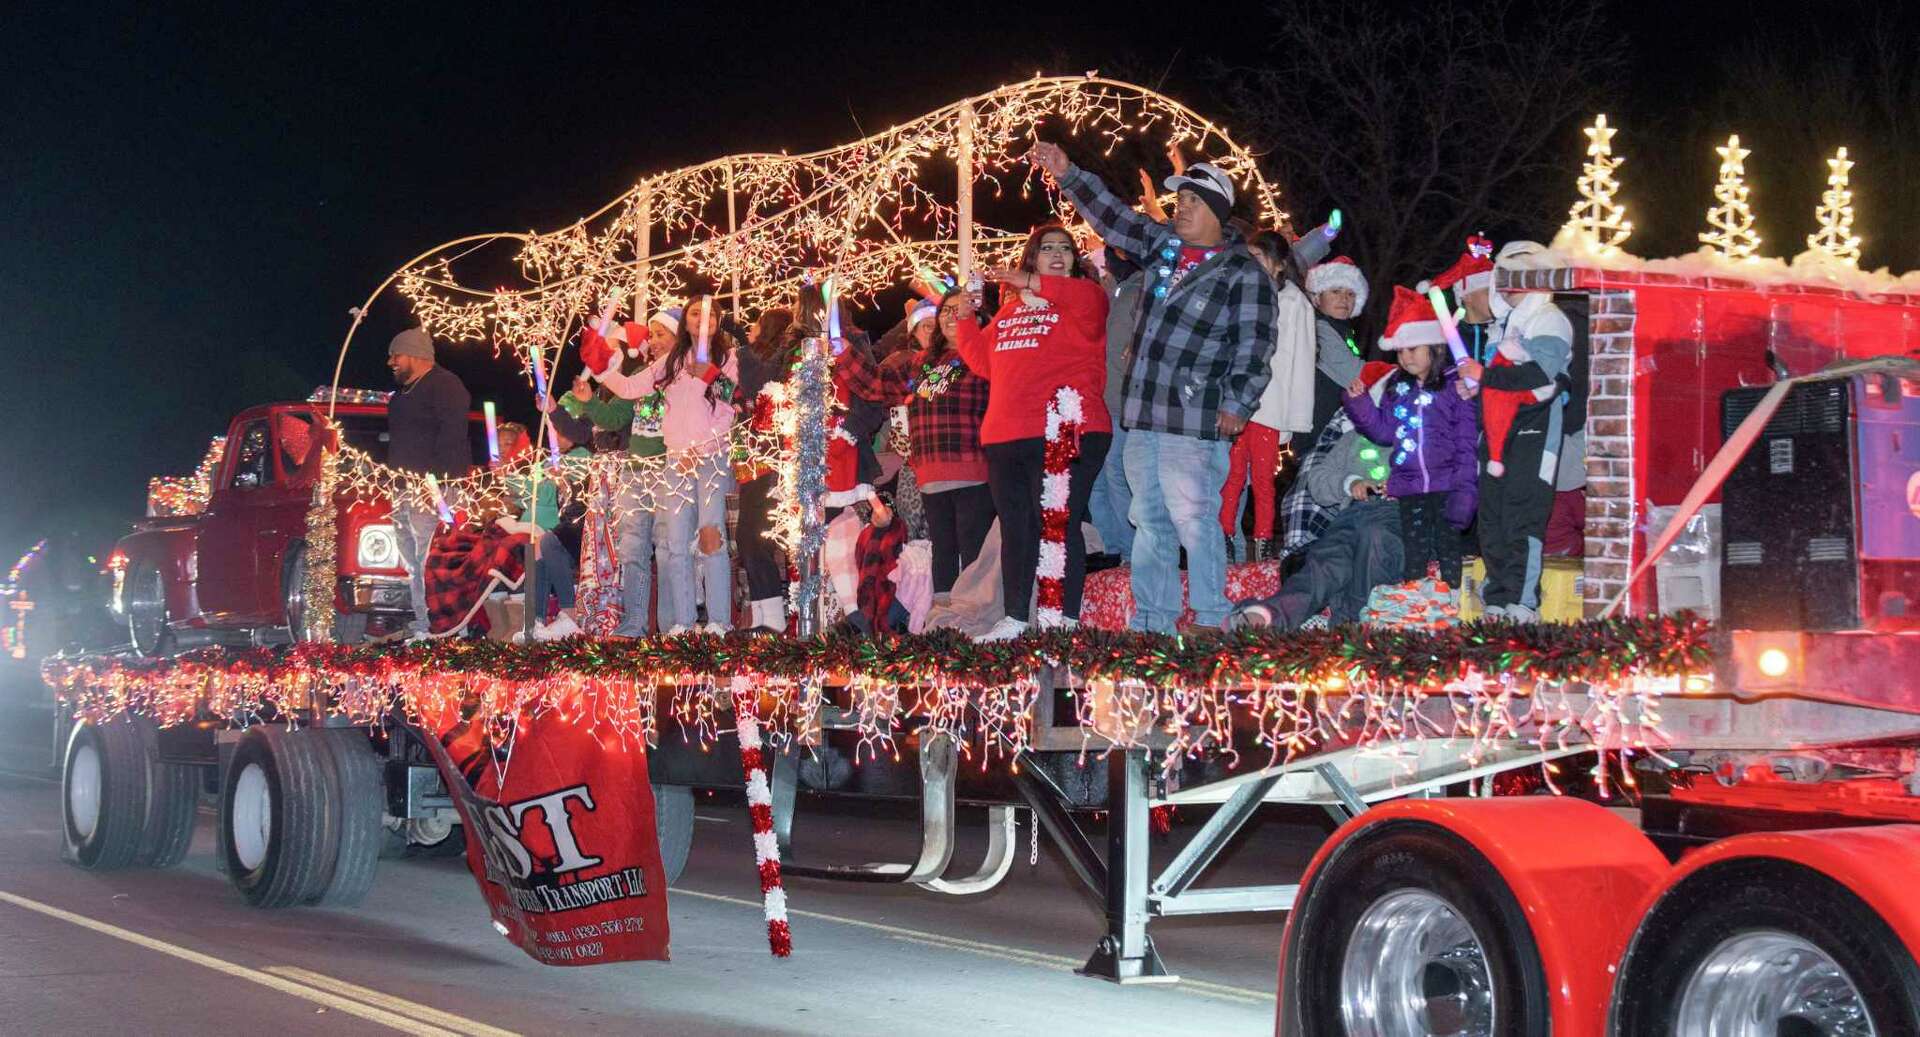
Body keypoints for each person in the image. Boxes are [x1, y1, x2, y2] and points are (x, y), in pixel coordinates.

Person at [1029, 142, 1277, 633]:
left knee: (1194, 517)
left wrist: (1238, 403)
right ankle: (1153, 619)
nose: (1179, 208)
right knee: (1149, 521)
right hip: (1142, 413)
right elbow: (1114, 219)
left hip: (1195, 417)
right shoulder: (1164, 248)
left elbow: (1256, 344)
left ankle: (1211, 616)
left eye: (1189, 202)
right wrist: (1070, 173)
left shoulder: (1242, 272)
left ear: (1214, 210)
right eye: (1179, 201)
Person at [951, 224, 1112, 640]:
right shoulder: (1009, 312)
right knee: (1016, 527)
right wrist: (966, 320)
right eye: (1046, 249)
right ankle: (1017, 617)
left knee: (1058, 522)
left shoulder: (1085, 299)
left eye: (1064, 249)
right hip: (1006, 433)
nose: (1057, 254)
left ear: (1076, 260)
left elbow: (1082, 298)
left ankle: (1065, 620)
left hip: (1065, 428)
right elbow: (984, 363)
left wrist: (1027, 280)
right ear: (1033, 258)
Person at [591, 295, 740, 633]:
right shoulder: (671, 361)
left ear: (718, 320)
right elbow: (630, 388)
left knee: (710, 535)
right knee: (675, 542)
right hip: (676, 460)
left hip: (710, 459)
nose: (702, 320)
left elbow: (728, 405)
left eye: (709, 314)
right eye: (694, 314)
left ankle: (719, 621)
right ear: (686, 321)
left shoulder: (726, 356)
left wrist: (710, 376)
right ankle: (683, 622)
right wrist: (603, 369)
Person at [1457, 241, 1575, 621]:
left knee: (1523, 517)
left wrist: (1486, 376)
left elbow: (1541, 376)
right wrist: (1477, 388)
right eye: (1504, 279)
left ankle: (1524, 603)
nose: (1507, 288)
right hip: (1496, 438)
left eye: (1517, 279)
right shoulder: (1506, 326)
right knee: (1492, 518)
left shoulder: (1549, 318)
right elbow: (1500, 386)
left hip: (1536, 431)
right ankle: (1497, 597)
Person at [1342, 287, 1480, 590]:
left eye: (1412, 349)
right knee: (1414, 552)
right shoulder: (1396, 388)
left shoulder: (1455, 386)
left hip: (1447, 484)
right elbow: (1383, 431)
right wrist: (1360, 404)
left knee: (1449, 549)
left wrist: (1465, 488)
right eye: (1400, 351)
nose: (1405, 357)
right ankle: (1415, 602)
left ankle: (1453, 601)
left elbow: (1467, 442)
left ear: (1434, 346)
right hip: (1409, 485)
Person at [1227, 422, 1405, 630]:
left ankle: (1359, 624)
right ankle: (1269, 616)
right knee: (1326, 562)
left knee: (1374, 540)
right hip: (1350, 514)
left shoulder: (1419, 439)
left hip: (1395, 515)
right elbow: (1318, 479)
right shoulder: (1353, 438)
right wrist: (1350, 483)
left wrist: (1404, 486)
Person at [572, 308, 682, 636]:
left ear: (679, 339)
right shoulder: (642, 376)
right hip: (635, 473)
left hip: (668, 472)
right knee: (632, 549)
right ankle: (634, 622)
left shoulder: (682, 376)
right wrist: (590, 401)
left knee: (665, 550)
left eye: (662, 334)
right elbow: (616, 416)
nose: (655, 341)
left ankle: (668, 625)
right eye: (652, 335)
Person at [1218, 230, 1316, 561]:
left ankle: (1261, 546)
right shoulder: (1240, 295)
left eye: (1258, 257)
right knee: (1230, 478)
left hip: (1269, 406)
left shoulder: (1294, 302)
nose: (1251, 264)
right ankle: (1226, 543)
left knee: (1261, 480)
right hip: (1236, 404)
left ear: (1277, 264)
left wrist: (1296, 413)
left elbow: (1301, 360)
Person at [891, 289, 995, 597]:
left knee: (973, 552)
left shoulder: (984, 355)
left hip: (971, 470)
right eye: (946, 311)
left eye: (960, 309)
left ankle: (976, 618)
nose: (952, 316)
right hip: (931, 475)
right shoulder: (922, 362)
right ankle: (945, 622)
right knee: (944, 554)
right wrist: (844, 350)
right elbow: (876, 381)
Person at [383, 326, 471, 638]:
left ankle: (442, 624)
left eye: (397, 354)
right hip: (404, 489)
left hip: (435, 489)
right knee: (411, 561)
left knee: (430, 558)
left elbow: (451, 436)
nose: (391, 361)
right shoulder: (400, 396)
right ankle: (424, 622)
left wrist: (432, 484)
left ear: (417, 355)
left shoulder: (445, 386)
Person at [733, 306, 796, 633]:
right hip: (750, 462)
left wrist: (741, 341)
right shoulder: (755, 362)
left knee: (756, 538)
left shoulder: (774, 363)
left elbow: (758, 381)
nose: (751, 329)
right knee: (747, 539)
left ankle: (773, 615)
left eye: (756, 325)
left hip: (770, 460)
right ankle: (762, 614)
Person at [493, 422, 585, 640]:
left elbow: (543, 495)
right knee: (507, 543)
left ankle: (562, 614)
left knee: (530, 543)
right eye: (555, 433)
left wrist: (509, 476)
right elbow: (528, 496)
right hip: (537, 526)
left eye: (562, 433)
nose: (557, 438)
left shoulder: (580, 457)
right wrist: (506, 478)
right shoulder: (545, 462)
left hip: (563, 525)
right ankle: (533, 621)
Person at [1303, 256, 1369, 437]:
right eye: (1335, 291)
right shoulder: (1319, 329)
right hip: (1321, 432)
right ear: (1317, 298)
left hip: (1338, 430)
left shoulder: (1342, 331)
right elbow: (1355, 374)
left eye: (1350, 294)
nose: (1344, 299)